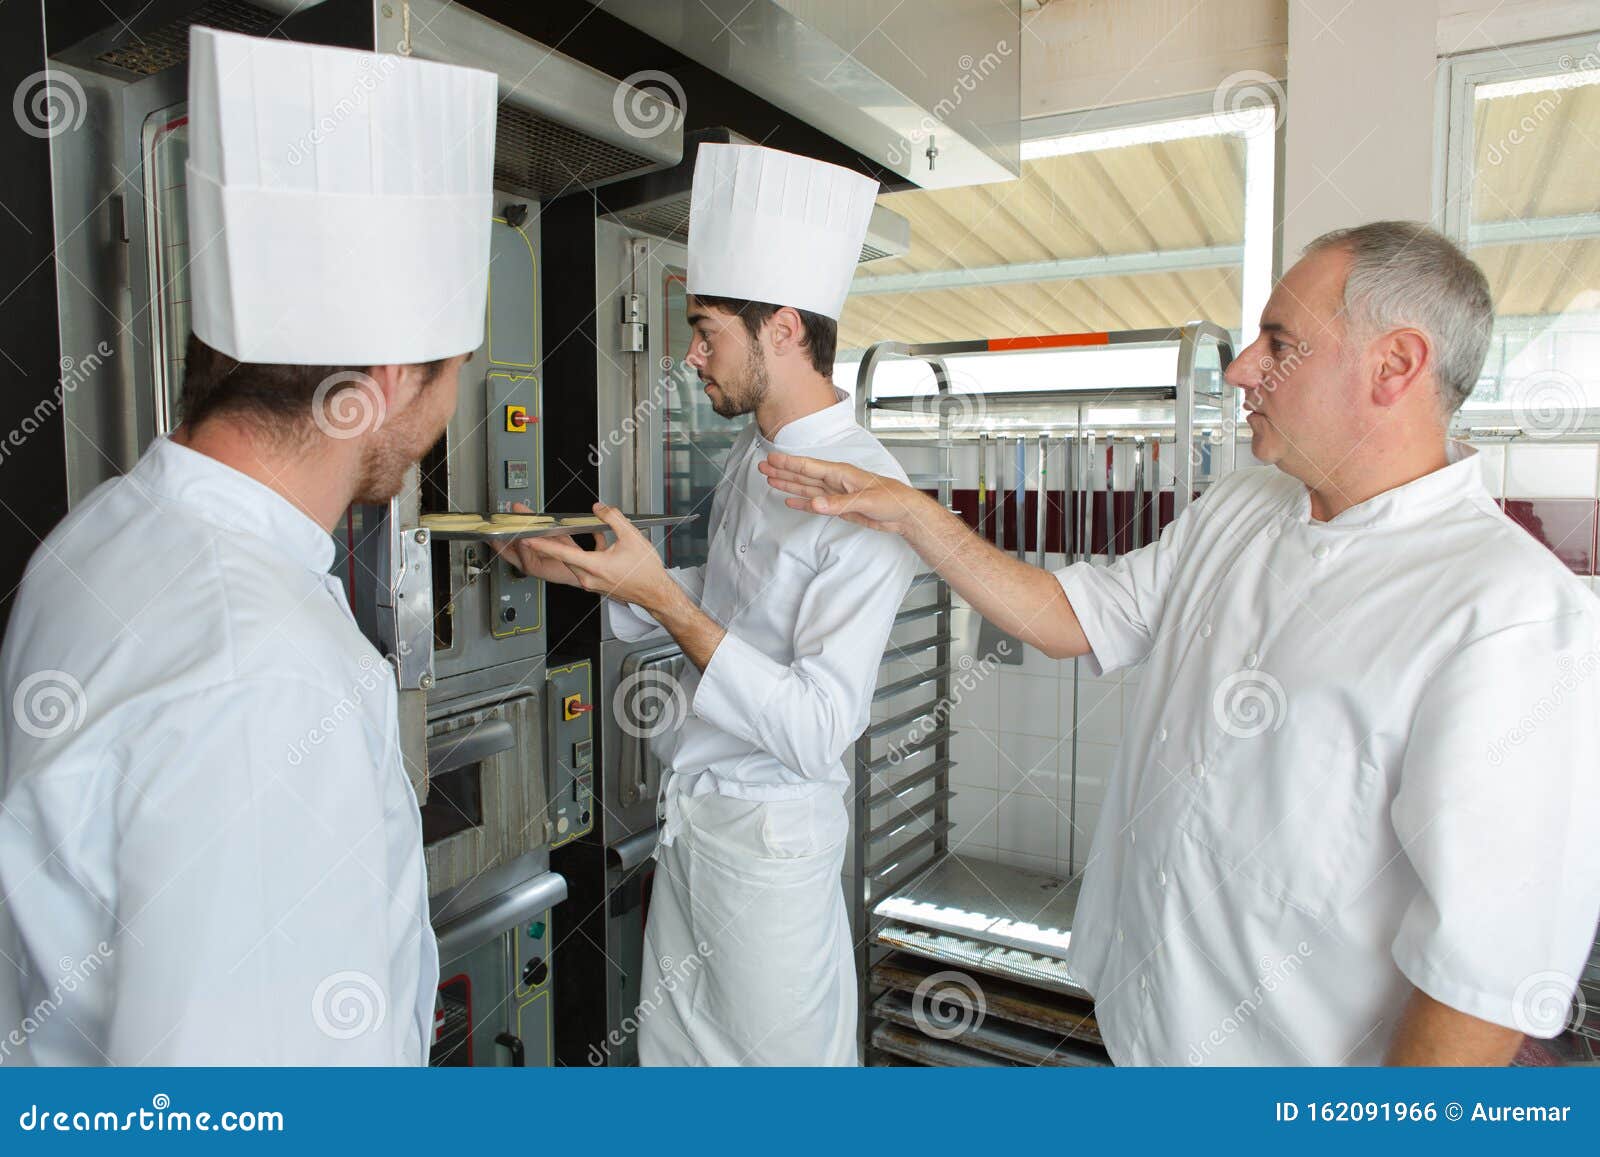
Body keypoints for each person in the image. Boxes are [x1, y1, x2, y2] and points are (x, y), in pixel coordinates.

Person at [760, 221, 1600, 1065]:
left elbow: (1477, 989)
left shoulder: (1510, 613)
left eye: (1280, 344)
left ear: (1395, 365)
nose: (1241, 368)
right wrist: (911, 513)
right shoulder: (1243, 506)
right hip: (1145, 1031)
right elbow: (1067, 616)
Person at [0, 28, 495, 1064]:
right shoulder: (269, 680)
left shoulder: (98, 534)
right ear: (387, 381)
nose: (451, 407)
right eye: (454, 372)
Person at [498, 143, 916, 1065]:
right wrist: (590, 572)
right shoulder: (754, 455)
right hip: (697, 825)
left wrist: (656, 594)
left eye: (705, 329)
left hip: (769, 856)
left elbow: (815, 726)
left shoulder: (869, 494)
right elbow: (726, 602)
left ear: (783, 331)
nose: (691, 355)